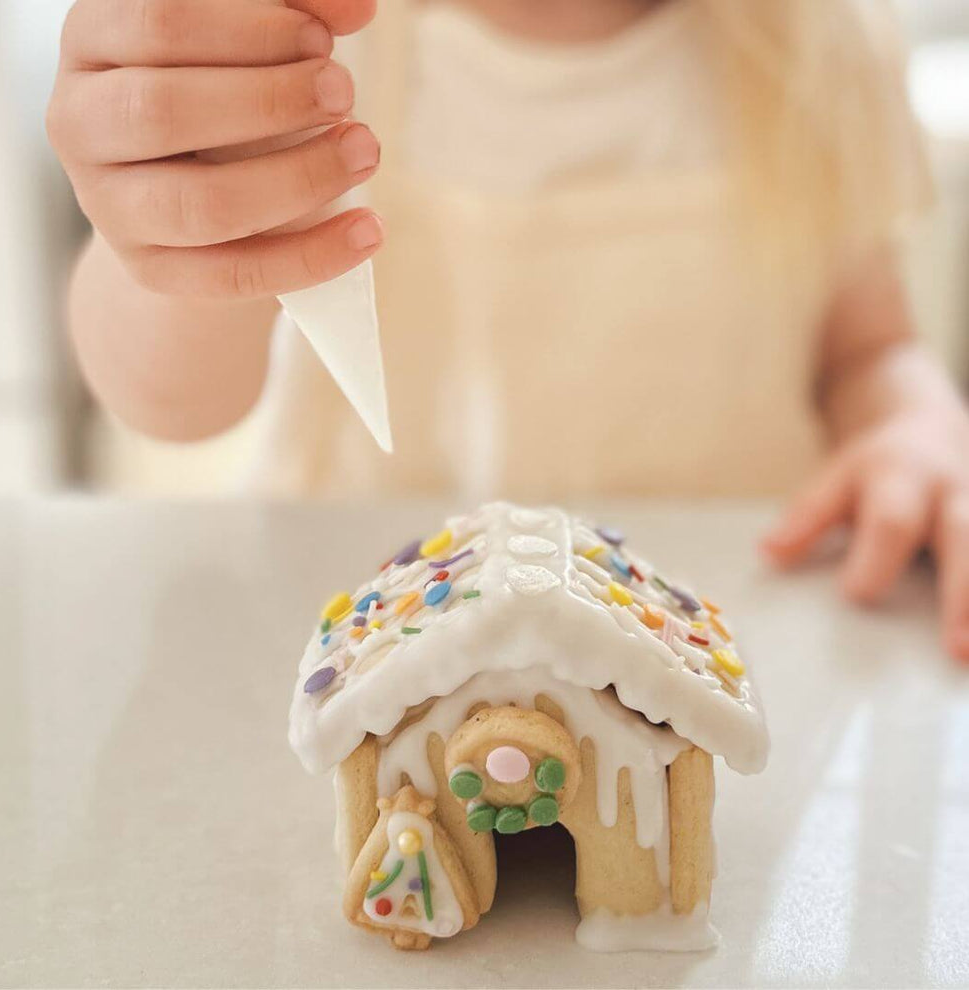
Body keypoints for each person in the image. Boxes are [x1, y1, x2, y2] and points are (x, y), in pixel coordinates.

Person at [48, 0, 969, 659]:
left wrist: (915, 427)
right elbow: (169, 402)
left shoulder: (830, 41)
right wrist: (166, 221)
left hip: (724, 644)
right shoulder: (293, 45)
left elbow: (870, 348)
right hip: (371, 640)